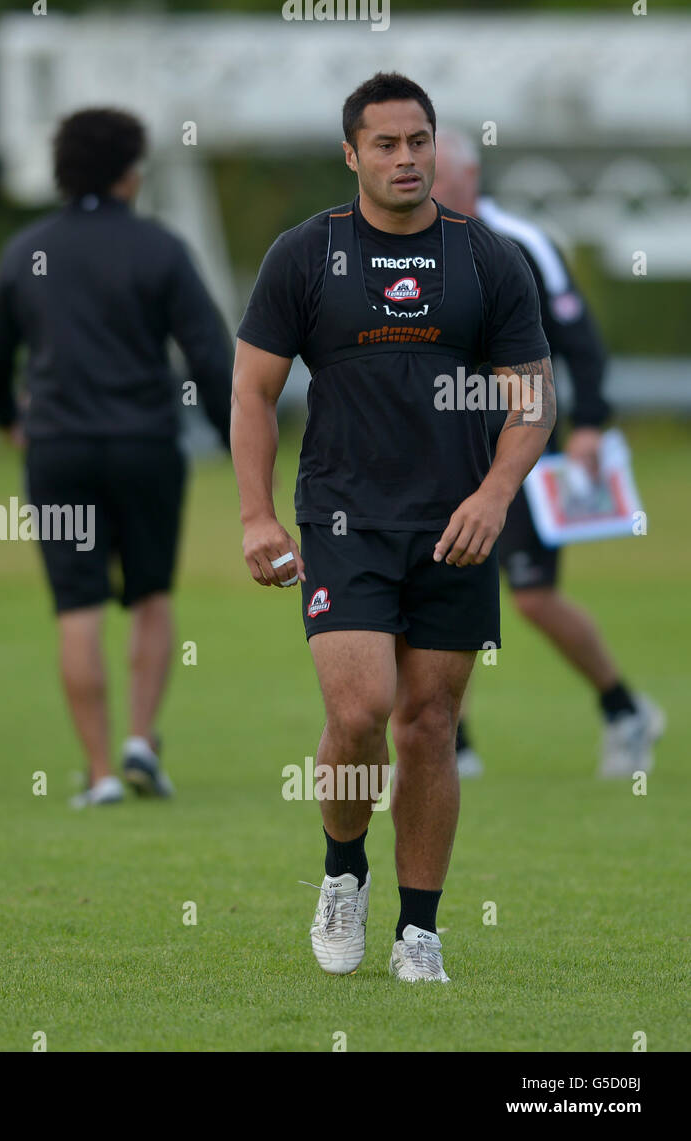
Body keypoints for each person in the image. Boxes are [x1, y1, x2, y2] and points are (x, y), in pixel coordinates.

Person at [231, 73, 555, 982]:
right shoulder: (305, 254)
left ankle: (421, 931)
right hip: (344, 519)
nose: (406, 158)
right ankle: (342, 873)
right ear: (352, 154)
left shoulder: (486, 258)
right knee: (361, 710)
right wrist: (256, 512)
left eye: (419, 141)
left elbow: (532, 397)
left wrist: (495, 492)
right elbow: (253, 390)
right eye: (386, 144)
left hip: (456, 523)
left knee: (429, 722)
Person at [0, 108, 232, 808]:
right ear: (129, 171)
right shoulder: (160, 247)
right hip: (147, 444)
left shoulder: (29, 248)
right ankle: (142, 740)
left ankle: (100, 774)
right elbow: (209, 352)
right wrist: (238, 440)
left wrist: (7, 419)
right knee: (151, 592)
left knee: (77, 603)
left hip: (58, 446)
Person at [431, 130, 664, 780]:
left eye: (435, 174)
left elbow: (579, 339)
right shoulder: (416, 247)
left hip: (522, 449)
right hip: (446, 446)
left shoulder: (521, 244)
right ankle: (454, 742)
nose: (419, 183)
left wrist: (590, 421)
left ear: (469, 177)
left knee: (532, 596)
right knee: (443, 585)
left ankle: (624, 708)